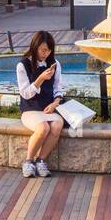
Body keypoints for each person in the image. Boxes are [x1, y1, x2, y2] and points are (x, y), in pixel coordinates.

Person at [16, 31, 65, 178]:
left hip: (49, 108)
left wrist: (55, 103)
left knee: (56, 125)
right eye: (43, 50)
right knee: (43, 127)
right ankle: (28, 161)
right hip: (30, 109)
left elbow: (58, 88)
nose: (46, 53)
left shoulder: (54, 64)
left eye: (49, 50)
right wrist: (40, 79)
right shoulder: (23, 65)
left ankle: (41, 160)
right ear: (35, 47)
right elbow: (25, 93)